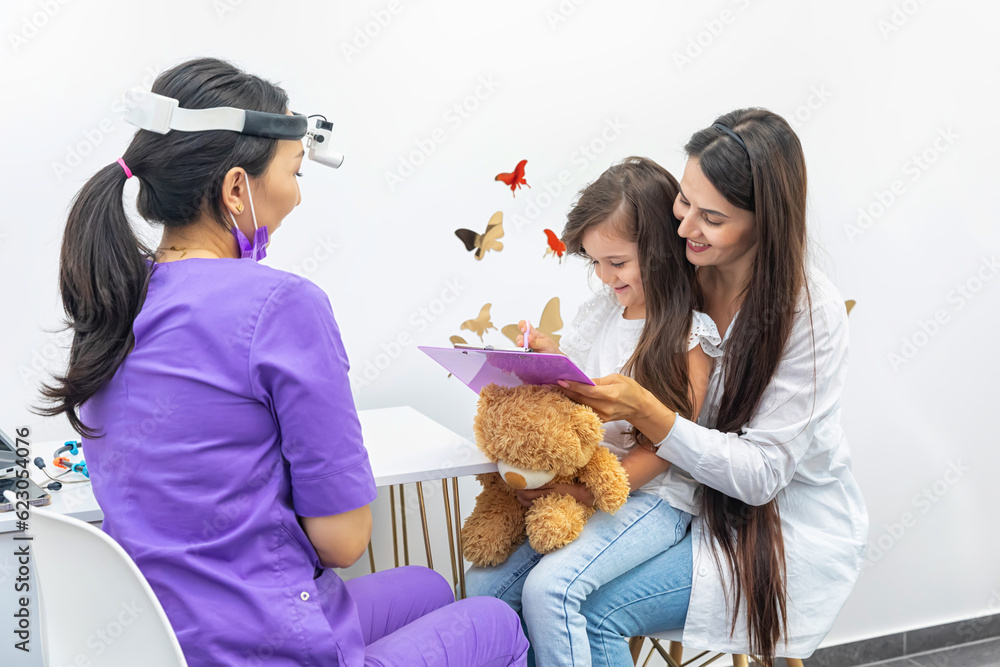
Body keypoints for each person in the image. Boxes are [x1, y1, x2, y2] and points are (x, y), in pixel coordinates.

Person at [37, 57, 528, 667]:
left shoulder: (112, 295)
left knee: (427, 587)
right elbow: (344, 541)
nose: (297, 196)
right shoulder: (281, 306)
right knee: (497, 620)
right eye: (295, 172)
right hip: (264, 645)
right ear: (236, 188)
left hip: (162, 638)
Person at [554, 109, 868, 667]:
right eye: (684, 202)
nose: (682, 229)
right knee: (531, 586)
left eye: (711, 217)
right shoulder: (676, 267)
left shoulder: (809, 314)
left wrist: (651, 414)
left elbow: (762, 476)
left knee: (581, 605)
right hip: (673, 494)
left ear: (765, 221)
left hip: (773, 525)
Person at [466, 157, 724, 667]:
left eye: (618, 263)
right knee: (484, 584)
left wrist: (581, 493)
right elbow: (581, 392)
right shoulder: (602, 313)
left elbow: (671, 449)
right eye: (596, 263)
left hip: (653, 498)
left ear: (661, 250)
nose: (606, 277)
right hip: (582, 483)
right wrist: (547, 358)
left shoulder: (689, 334)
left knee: (550, 590)